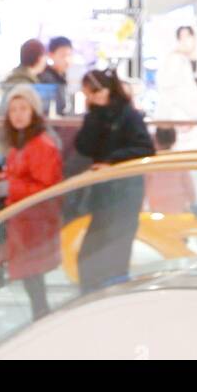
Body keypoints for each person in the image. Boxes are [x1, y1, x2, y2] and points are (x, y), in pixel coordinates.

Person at [74, 69, 155, 293]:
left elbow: (145, 148)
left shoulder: (127, 115)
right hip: (102, 194)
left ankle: (113, 297)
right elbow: (83, 146)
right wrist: (94, 116)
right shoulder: (95, 116)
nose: (92, 98)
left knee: (116, 252)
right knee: (91, 254)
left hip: (125, 191)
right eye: (87, 94)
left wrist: (113, 162)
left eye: (94, 92)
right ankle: (92, 296)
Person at [0, 84, 63, 322]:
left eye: (23, 108)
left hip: (35, 222)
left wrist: (8, 187)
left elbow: (46, 190)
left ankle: (42, 321)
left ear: (33, 111)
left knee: (34, 279)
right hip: (22, 222)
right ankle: (40, 319)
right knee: (31, 280)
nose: (17, 114)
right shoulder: (19, 144)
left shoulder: (41, 145)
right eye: (13, 109)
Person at [143, 126, 195, 215]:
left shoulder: (150, 162)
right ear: (174, 139)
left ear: (155, 138)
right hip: (178, 209)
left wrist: (141, 209)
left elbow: (144, 187)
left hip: (156, 210)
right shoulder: (179, 161)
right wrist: (192, 202)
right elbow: (189, 187)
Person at [38, 36, 73, 116]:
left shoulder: (62, 77)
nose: (67, 60)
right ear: (51, 55)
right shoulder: (46, 79)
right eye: (63, 56)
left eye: (70, 55)